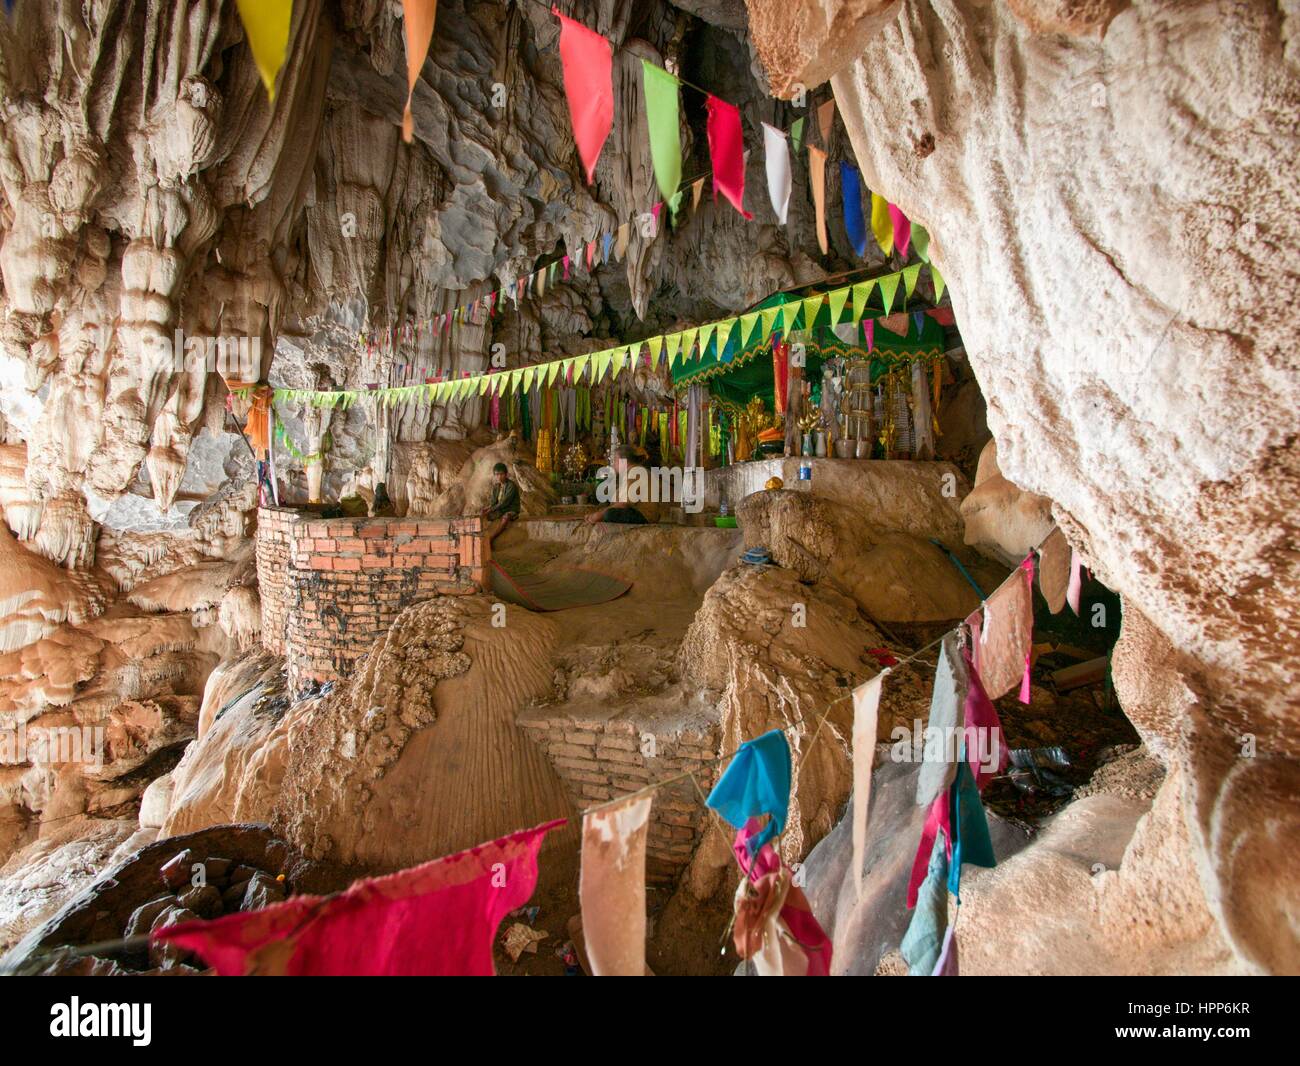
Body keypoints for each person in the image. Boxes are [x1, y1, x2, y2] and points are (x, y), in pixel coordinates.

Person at [481, 462, 520, 544]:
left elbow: (504, 502)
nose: (499, 477)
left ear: (506, 474)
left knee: (506, 517)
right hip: (500, 509)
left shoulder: (511, 486)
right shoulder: (496, 487)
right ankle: (481, 537)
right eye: (497, 474)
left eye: (501, 474)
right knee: (483, 513)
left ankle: (492, 538)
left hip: (510, 509)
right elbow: (493, 502)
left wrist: (491, 509)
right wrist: (488, 508)